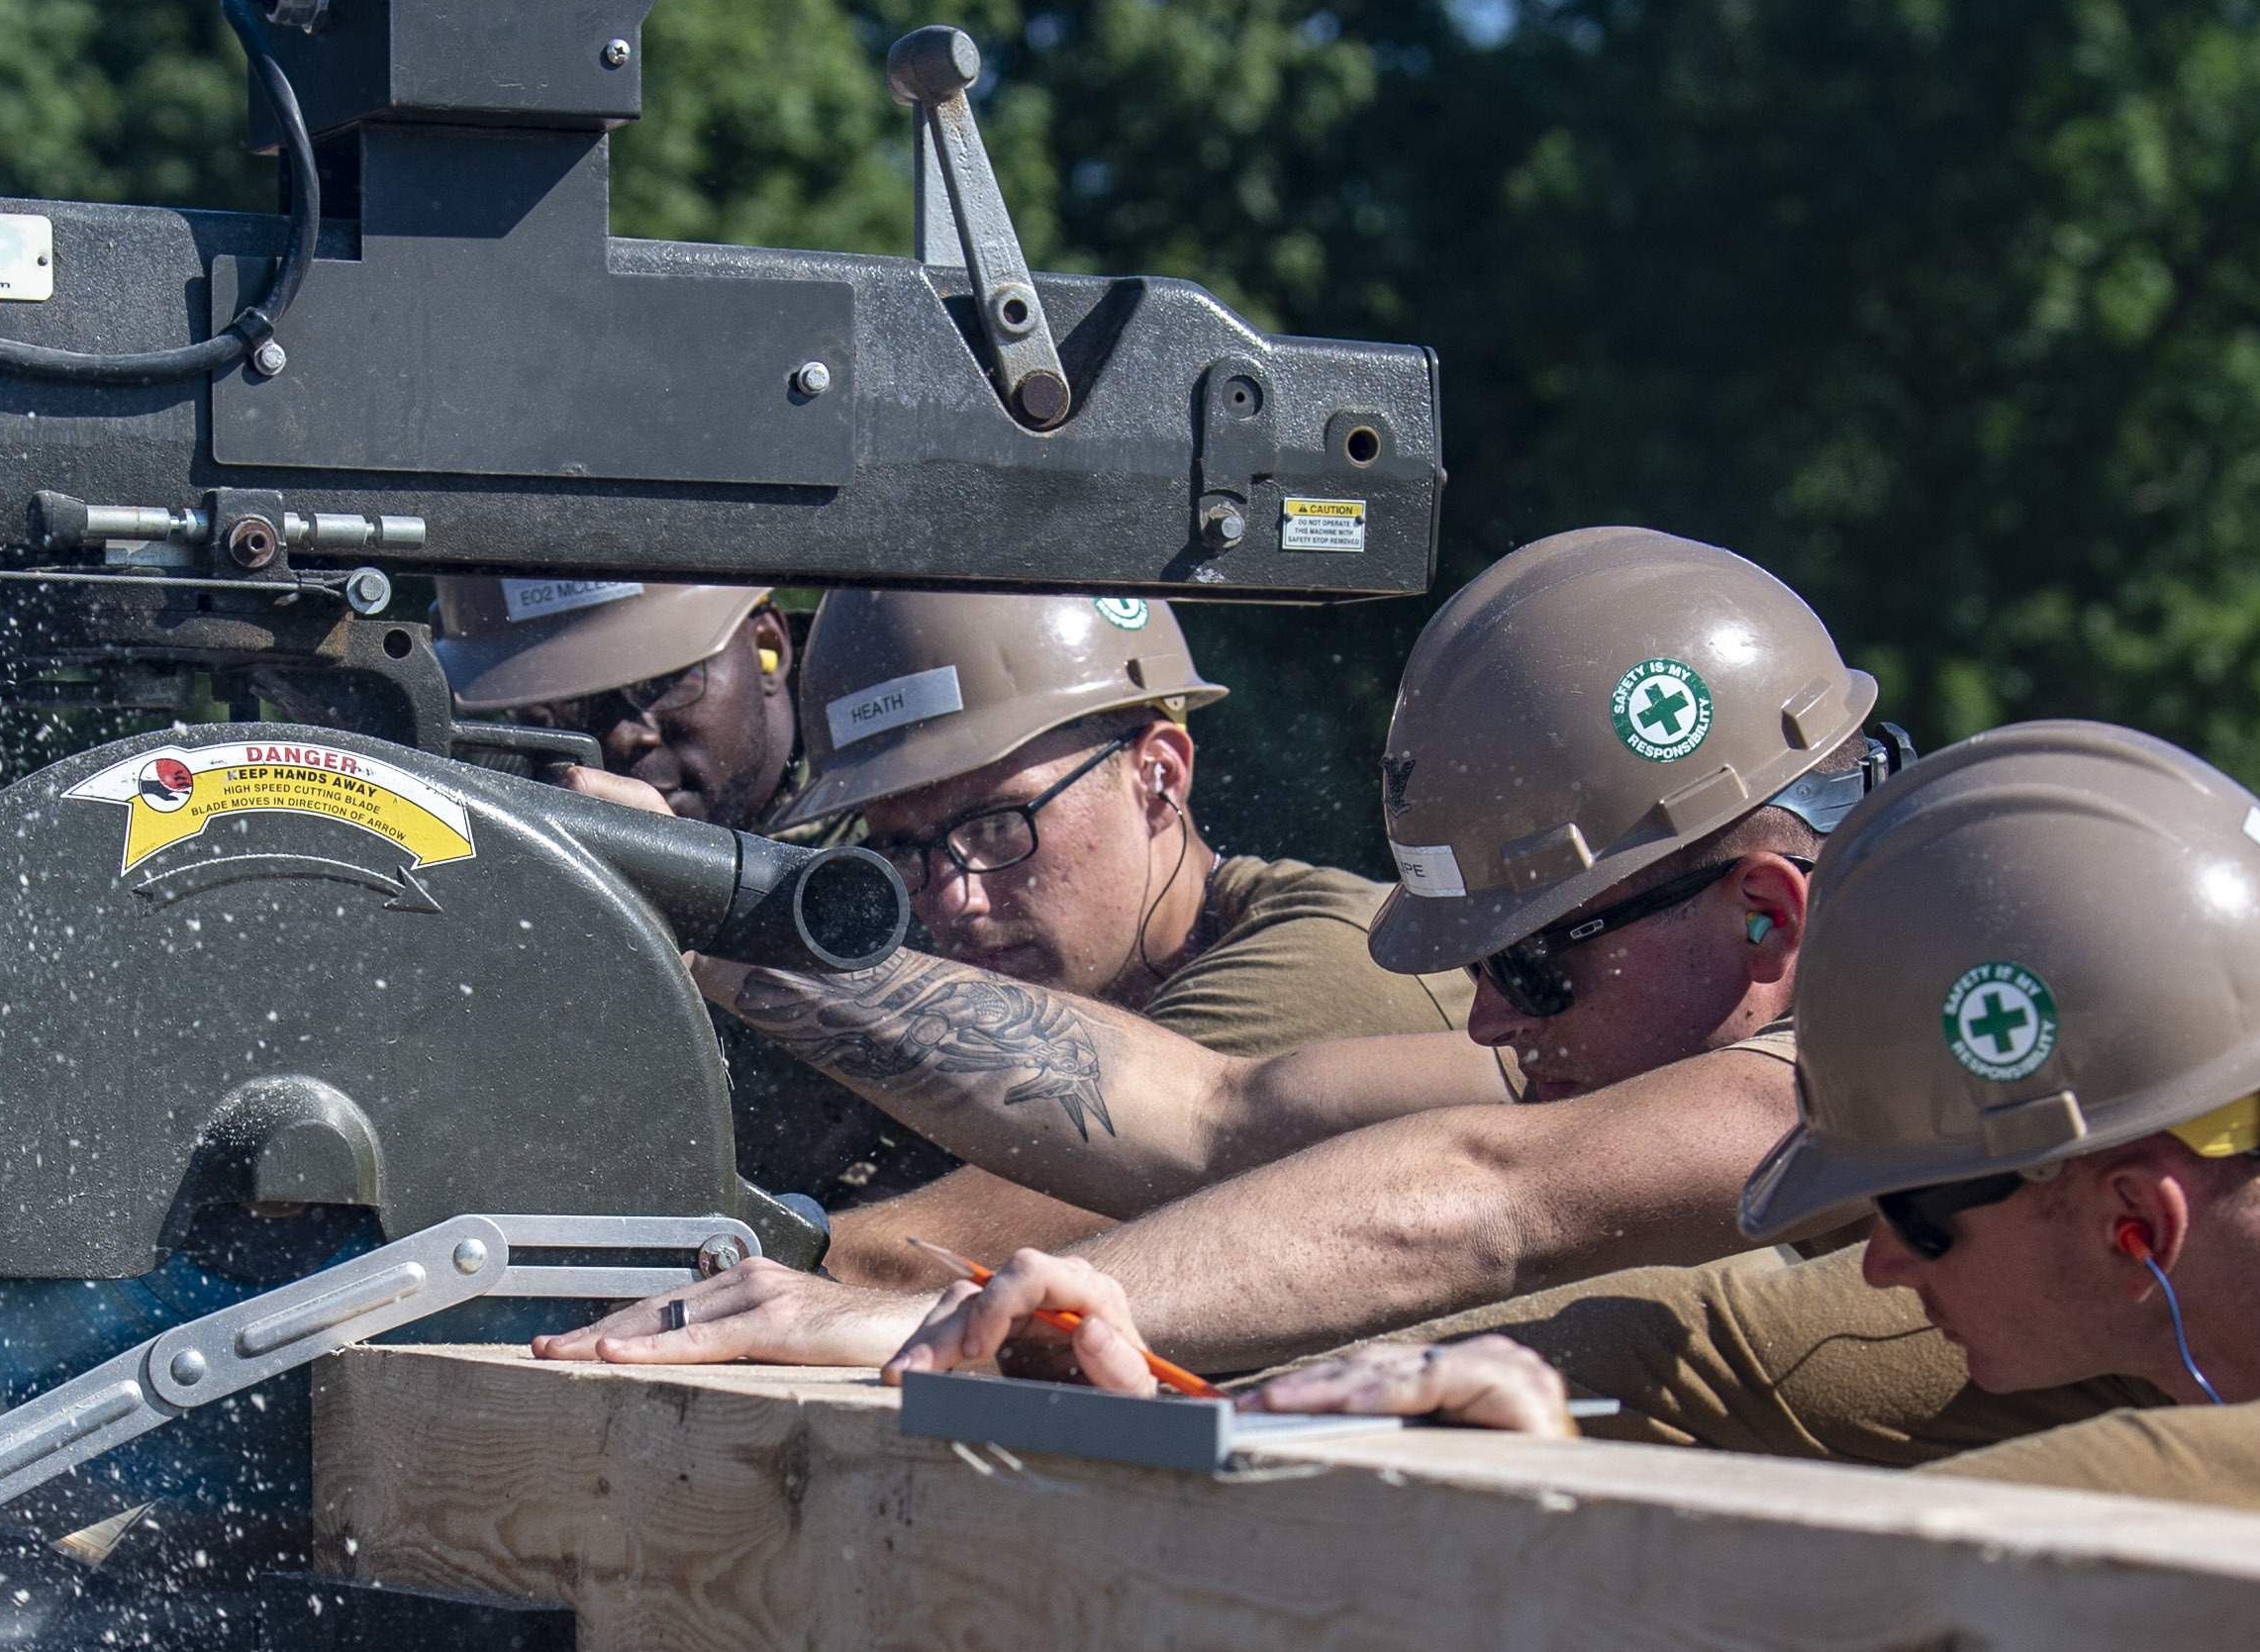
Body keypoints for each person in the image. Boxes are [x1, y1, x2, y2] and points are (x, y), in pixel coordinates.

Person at [932, 725, 2260, 1572]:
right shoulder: (2158, 1290)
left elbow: (2115, 1519)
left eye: (1908, 1223)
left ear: (2132, 1214)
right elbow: (1669, 1352)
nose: (1872, 1270)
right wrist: (1220, 1416)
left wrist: (1563, 1507)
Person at [540, 527, 1910, 1359]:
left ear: (1766, 917)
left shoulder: (1863, 1070)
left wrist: (898, 1318)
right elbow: (1210, 1115)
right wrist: (695, 909)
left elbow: (1489, 1196)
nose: (1482, 1019)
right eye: (899, 850)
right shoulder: (1711, 1039)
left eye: (1534, 965)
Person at [753, 588, 1487, 1281]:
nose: (953, 898)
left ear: (1158, 776)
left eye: (997, 824)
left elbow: (933, 1251)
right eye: (902, 850)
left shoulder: (1338, 958)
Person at [437, 576, 808, 830]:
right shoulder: (493, 811)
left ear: (767, 647)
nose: (620, 738)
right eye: (561, 702)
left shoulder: (862, 808)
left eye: (659, 681)